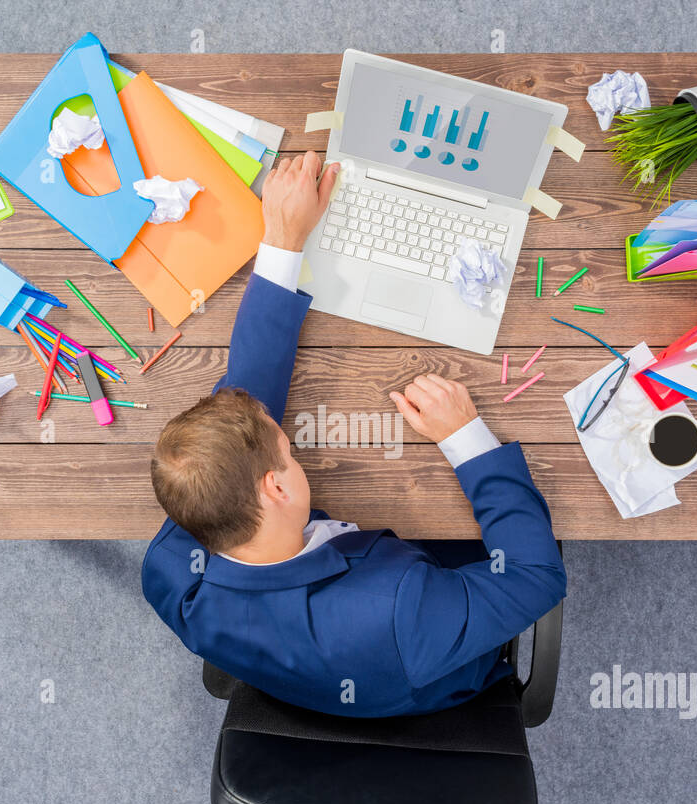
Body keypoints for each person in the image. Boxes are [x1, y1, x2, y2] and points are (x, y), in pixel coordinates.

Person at [142, 151, 566, 717]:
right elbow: (536, 579)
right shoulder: (398, 609)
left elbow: (244, 407)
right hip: (426, 663)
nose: (292, 448)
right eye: (289, 454)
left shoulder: (173, 569)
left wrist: (283, 241)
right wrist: (467, 437)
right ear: (277, 489)